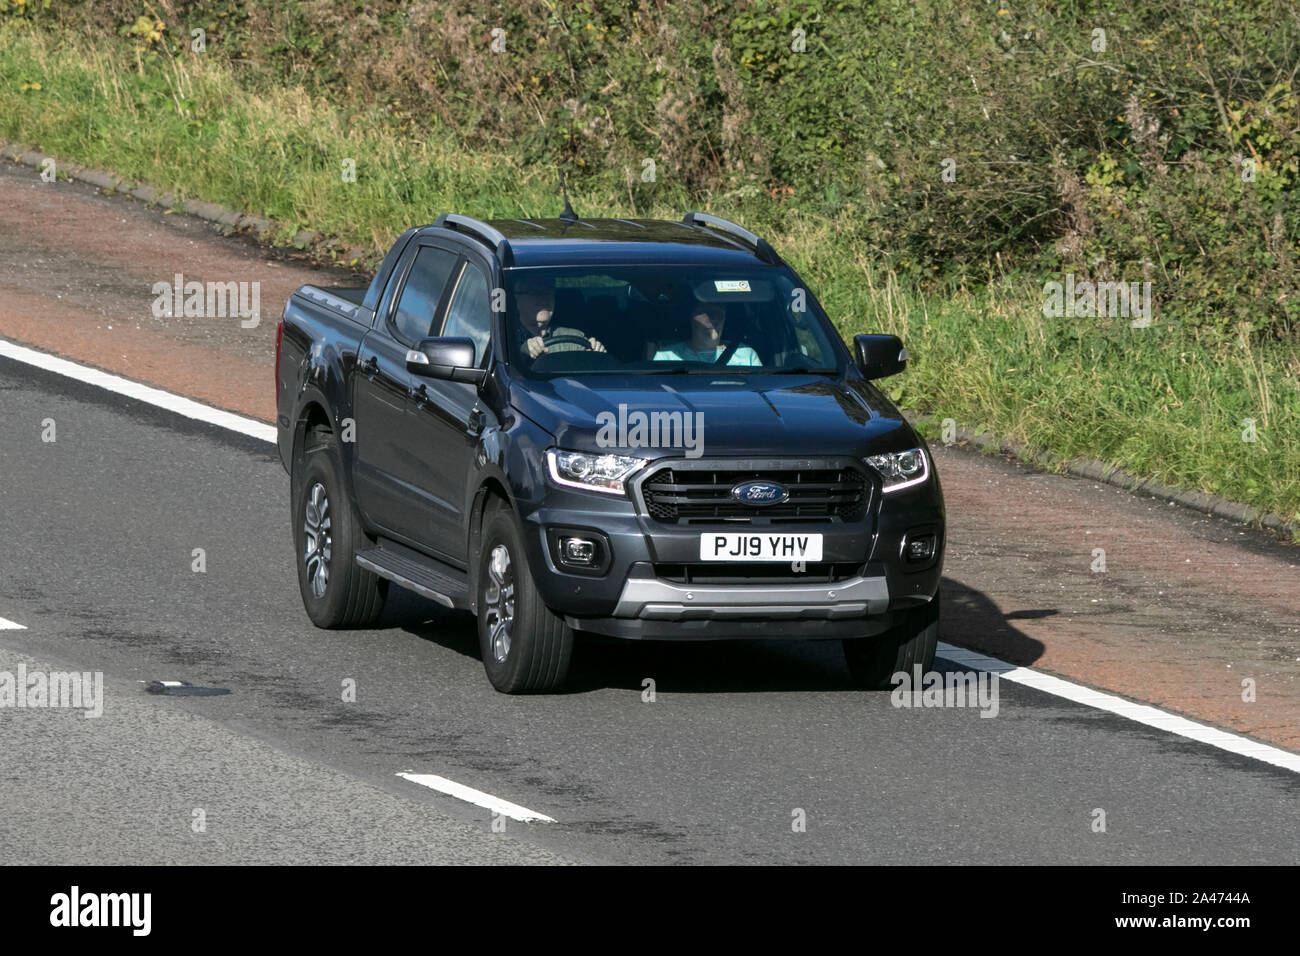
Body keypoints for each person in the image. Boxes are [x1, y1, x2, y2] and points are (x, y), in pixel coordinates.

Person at [513, 276, 606, 359]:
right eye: (534, 293)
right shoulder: (504, 339)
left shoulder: (574, 337)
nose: (543, 299)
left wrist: (596, 355)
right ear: (517, 300)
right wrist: (521, 352)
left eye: (548, 292)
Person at [653, 302, 761, 366]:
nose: (713, 319)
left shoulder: (746, 354)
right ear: (691, 318)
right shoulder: (667, 357)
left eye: (718, 313)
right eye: (706, 313)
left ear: (725, 319)